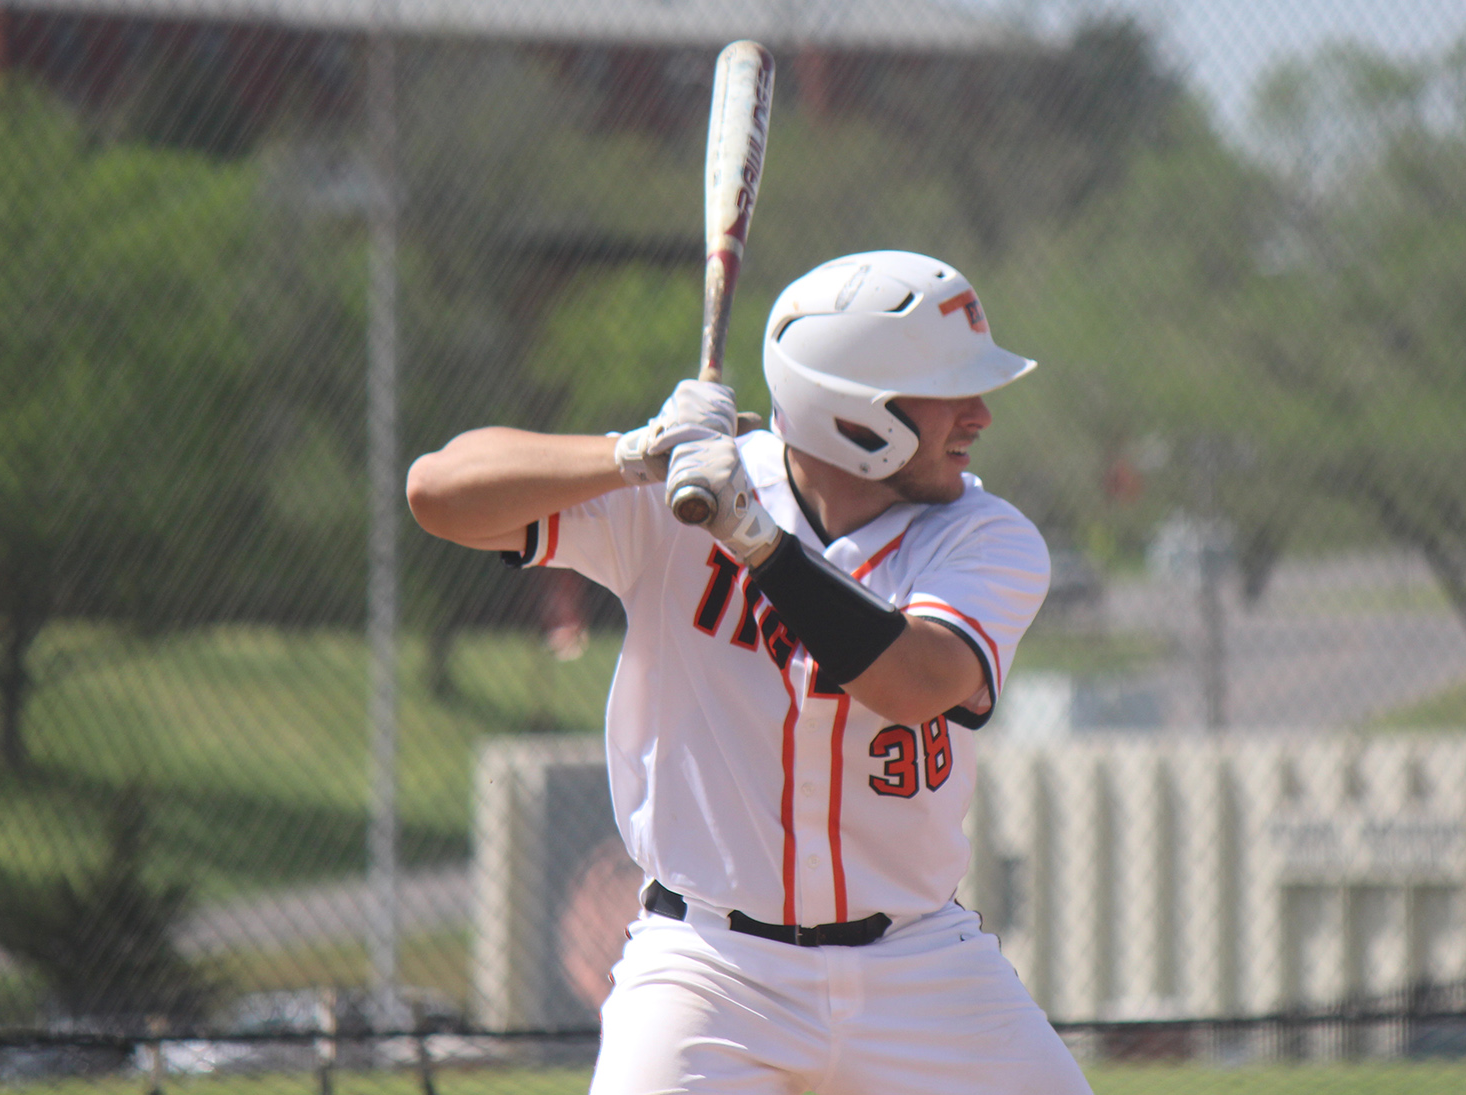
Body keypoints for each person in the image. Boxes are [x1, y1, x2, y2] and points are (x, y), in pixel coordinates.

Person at [407, 251, 1091, 1094]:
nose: (980, 415)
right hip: (708, 967)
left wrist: (756, 541)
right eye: (949, 390)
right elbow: (437, 491)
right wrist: (633, 454)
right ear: (857, 413)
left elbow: (913, 681)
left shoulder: (984, 537)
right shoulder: (688, 488)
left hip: (919, 965)